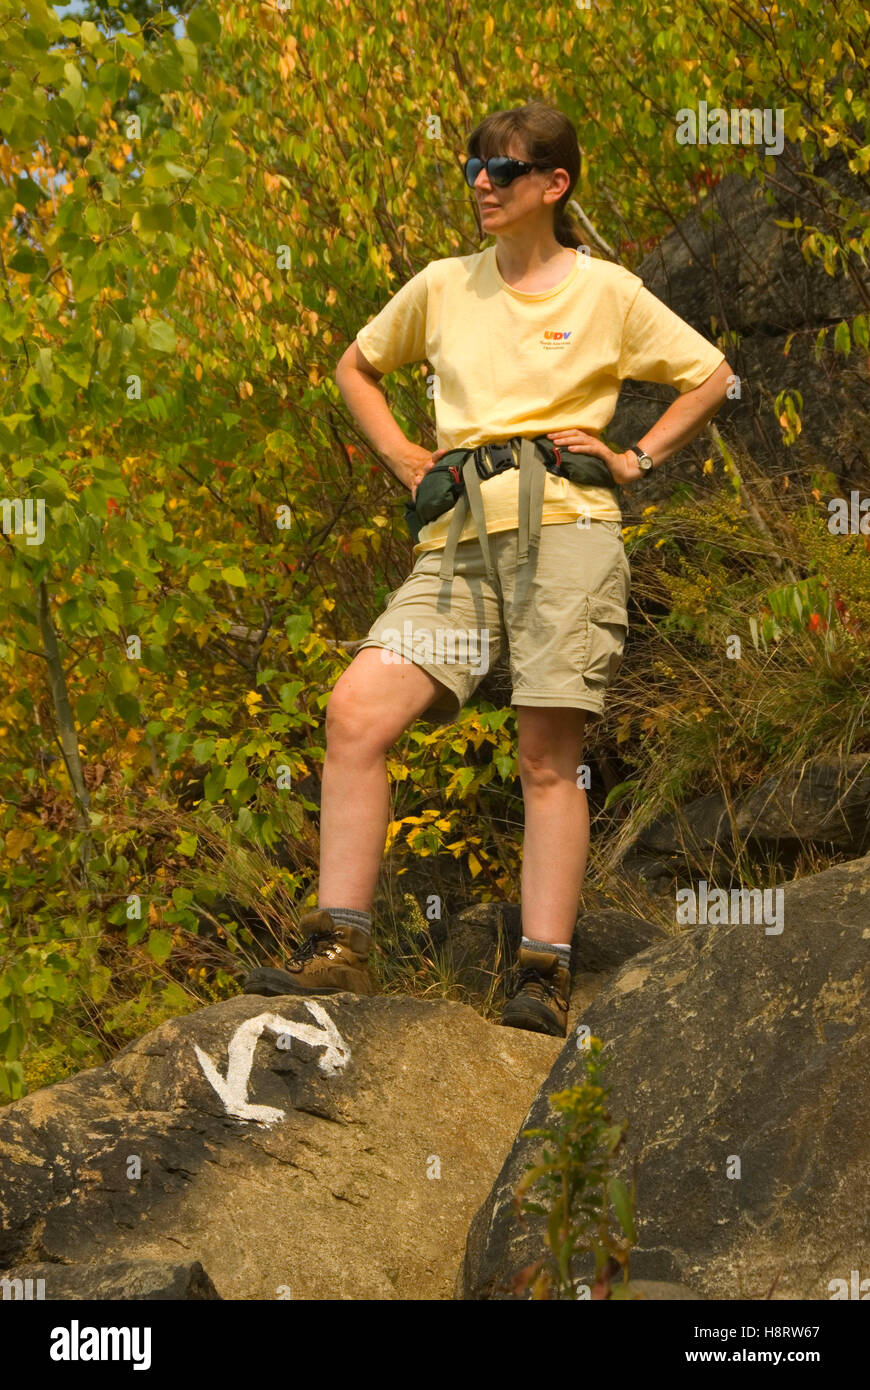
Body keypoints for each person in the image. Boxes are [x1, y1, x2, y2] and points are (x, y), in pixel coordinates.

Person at [243, 101, 733, 1037]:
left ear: (554, 185)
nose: (480, 183)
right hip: (456, 546)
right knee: (357, 712)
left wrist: (635, 459)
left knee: (547, 758)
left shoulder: (608, 291)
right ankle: (339, 945)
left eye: (503, 171)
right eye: (474, 166)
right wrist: (402, 459)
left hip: (570, 531)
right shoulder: (441, 285)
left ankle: (542, 973)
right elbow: (356, 367)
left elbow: (709, 372)